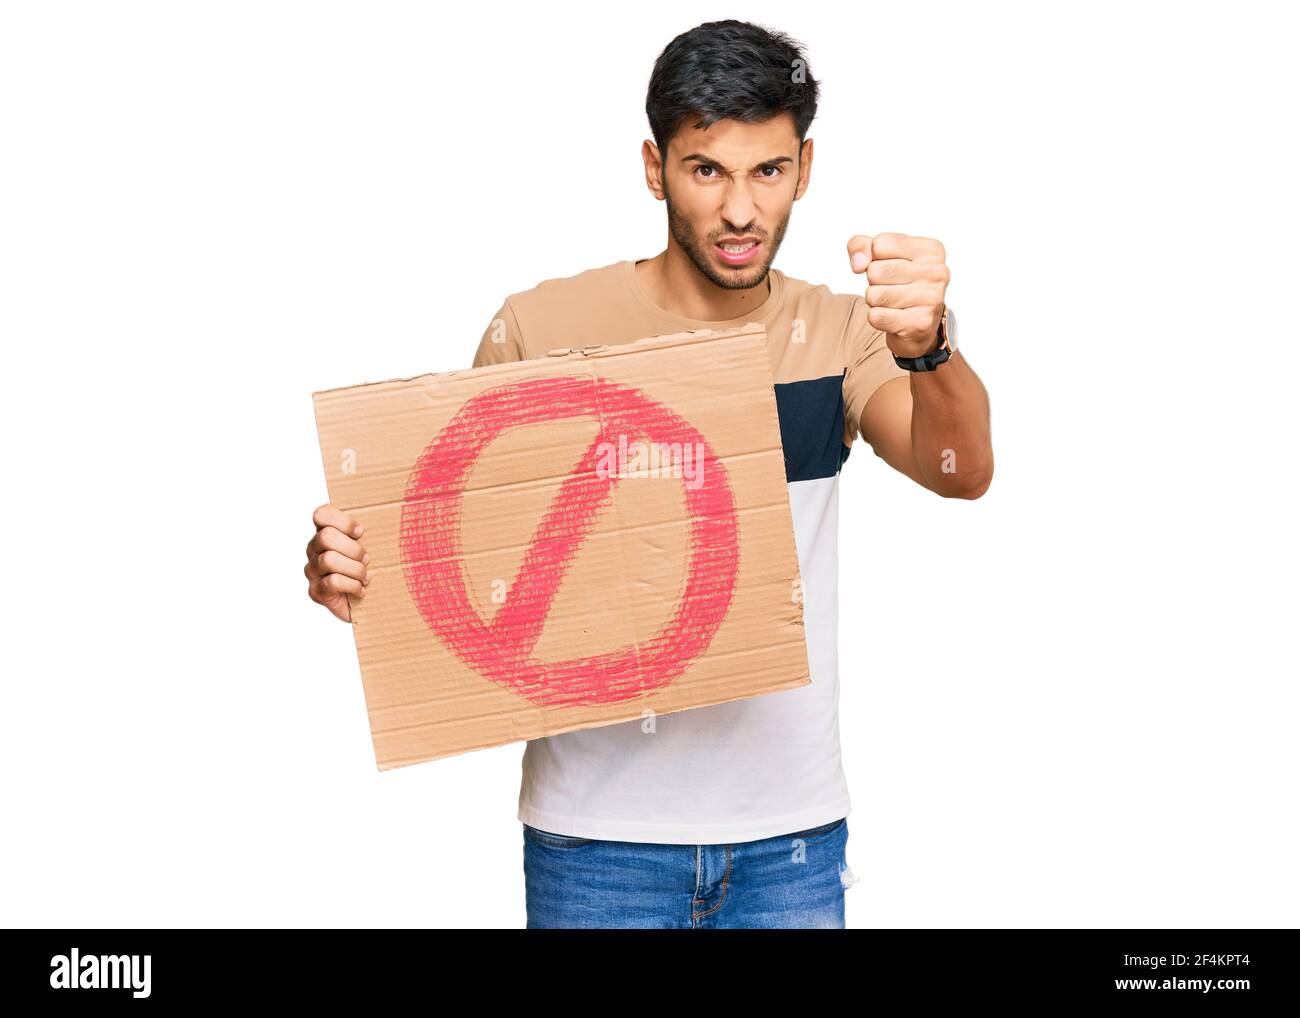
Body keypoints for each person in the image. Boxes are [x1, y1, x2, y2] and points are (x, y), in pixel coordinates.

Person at [304, 19, 993, 928]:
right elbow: (452, 546)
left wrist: (929, 349)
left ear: (806, 167)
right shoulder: (541, 327)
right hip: (595, 839)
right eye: (708, 169)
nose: (741, 211)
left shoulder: (839, 332)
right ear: (654, 166)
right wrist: (348, 571)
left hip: (787, 839)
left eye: (768, 171)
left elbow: (961, 470)